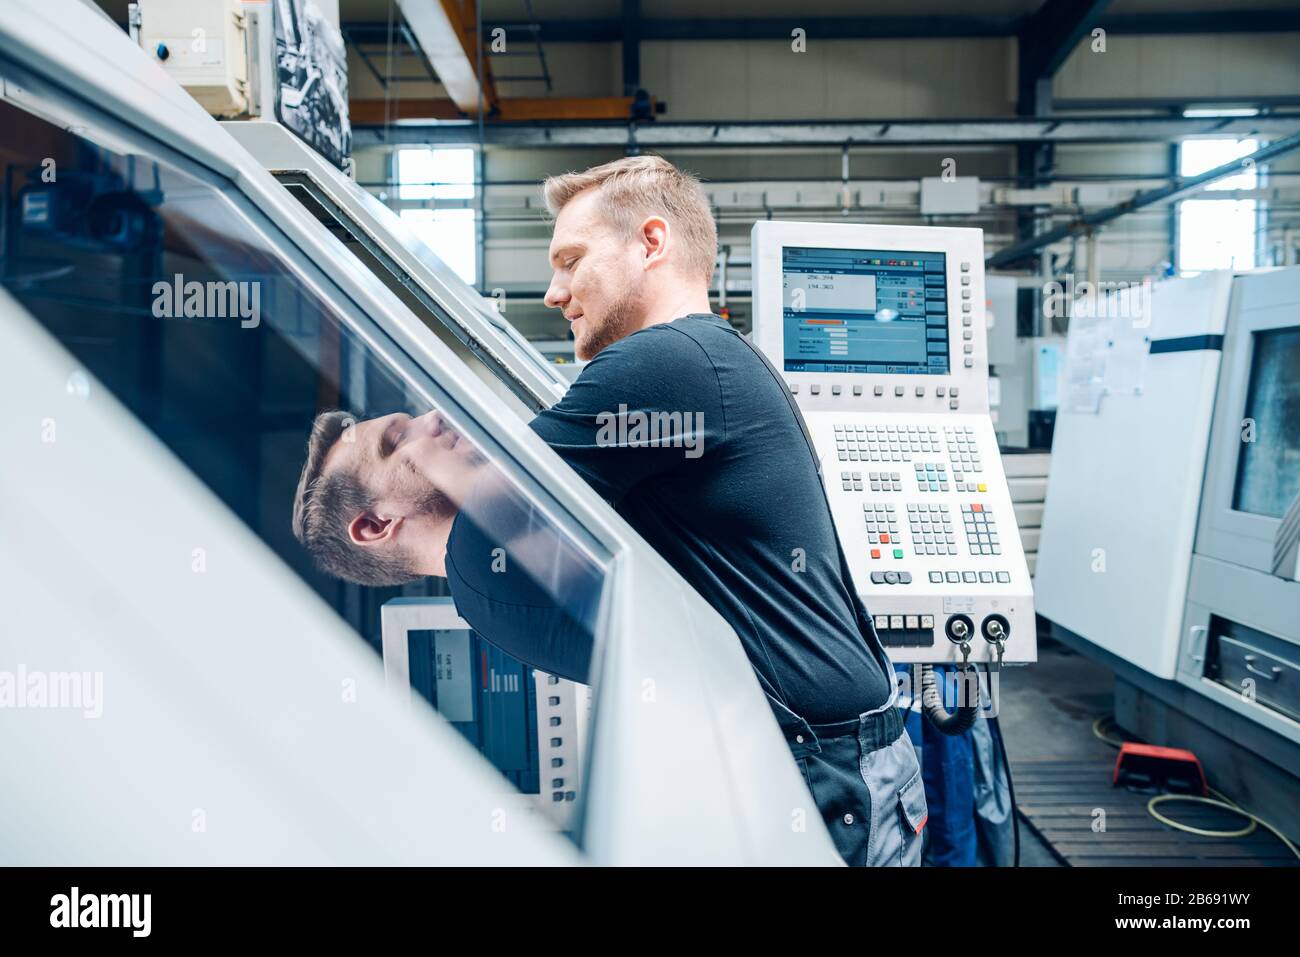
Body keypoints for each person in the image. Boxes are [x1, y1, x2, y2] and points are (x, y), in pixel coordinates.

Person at [291, 156, 927, 866]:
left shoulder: (667, 361)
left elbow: (515, 509)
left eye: (571, 260)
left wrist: (443, 459)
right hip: (829, 767)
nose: (554, 290)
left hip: (823, 775)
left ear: (651, 243)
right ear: (374, 524)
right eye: (395, 437)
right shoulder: (697, 360)